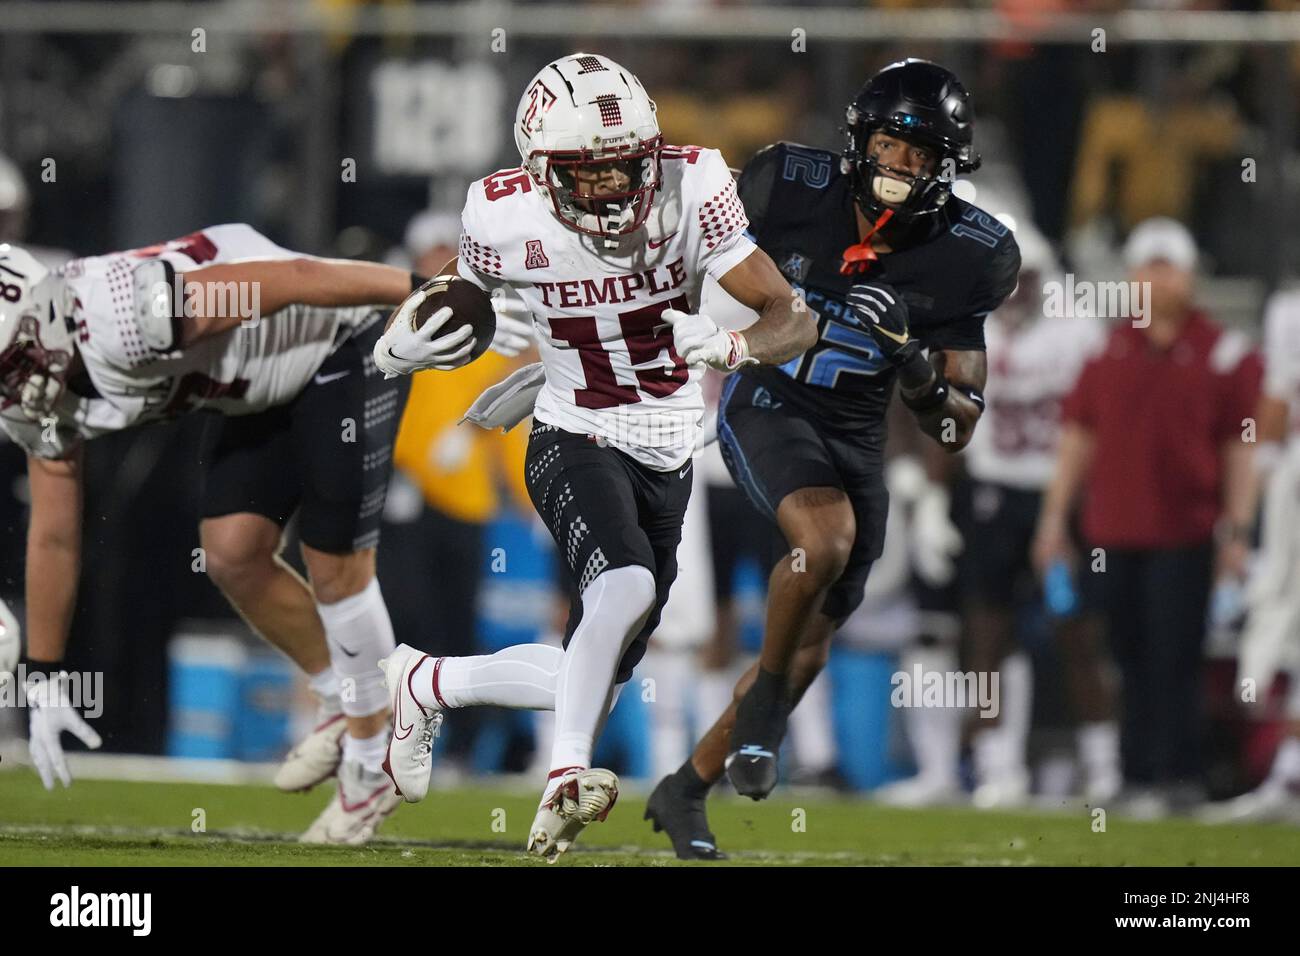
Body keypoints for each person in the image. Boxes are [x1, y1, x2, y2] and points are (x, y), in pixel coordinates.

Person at [373, 51, 815, 862]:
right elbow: (466, 300)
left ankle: (424, 683)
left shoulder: (694, 186)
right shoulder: (501, 215)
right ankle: (566, 773)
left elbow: (793, 316)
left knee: (597, 674)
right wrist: (429, 328)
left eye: (624, 167)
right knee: (627, 582)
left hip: (669, 449)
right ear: (540, 171)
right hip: (571, 430)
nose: (613, 189)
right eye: (591, 172)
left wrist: (731, 342)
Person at [0, 224, 527, 843]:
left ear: (44, 320)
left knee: (333, 565)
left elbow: (296, 279)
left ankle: (372, 761)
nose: (12, 384)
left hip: (341, 343)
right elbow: (55, 534)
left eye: (13, 362)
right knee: (230, 554)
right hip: (258, 388)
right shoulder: (34, 388)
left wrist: (421, 292)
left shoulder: (129, 312)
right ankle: (342, 698)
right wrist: (44, 673)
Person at [646, 58, 1021, 859]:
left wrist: (915, 364)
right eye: (889, 145)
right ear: (859, 140)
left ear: (947, 168)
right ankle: (764, 715)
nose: (898, 166)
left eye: (919, 156)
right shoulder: (787, 182)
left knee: (814, 635)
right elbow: (680, 243)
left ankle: (685, 789)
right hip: (770, 401)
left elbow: (958, 424)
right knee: (823, 542)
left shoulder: (970, 254)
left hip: (857, 436)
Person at [1033, 217, 1262, 817]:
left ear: (1189, 276)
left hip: (1185, 532)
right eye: (1147, 266)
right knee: (1127, 656)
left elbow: (1242, 449)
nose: (1156, 278)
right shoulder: (1107, 347)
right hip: (1112, 532)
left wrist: (1236, 531)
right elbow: (1077, 437)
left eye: (1167, 266)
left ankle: (1180, 773)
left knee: (1177, 656)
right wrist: (1055, 517)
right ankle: (1135, 774)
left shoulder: (1225, 352)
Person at [956, 222, 1119, 808]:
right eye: (1007, 278)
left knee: (1077, 633)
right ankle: (998, 767)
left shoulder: (1078, 329)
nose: (1015, 291)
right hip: (994, 491)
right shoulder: (968, 322)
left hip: (1062, 496)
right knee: (987, 634)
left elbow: (1104, 422)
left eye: (1025, 278)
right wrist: (929, 493)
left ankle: (1103, 766)